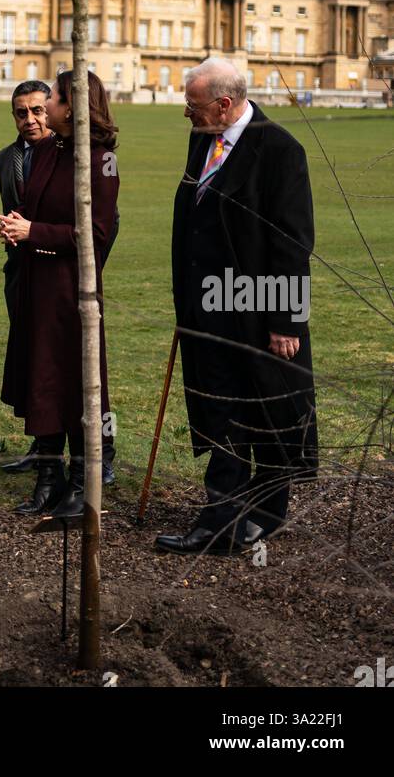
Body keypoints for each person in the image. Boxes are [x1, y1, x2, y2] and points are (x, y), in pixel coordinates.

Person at [155, 58, 317, 555]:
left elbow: (291, 241)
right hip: (207, 311)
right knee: (221, 411)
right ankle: (224, 518)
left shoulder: (280, 150)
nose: (187, 112)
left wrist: (286, 319)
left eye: (194, 105)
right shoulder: (203, 138)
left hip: (257, 310)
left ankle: (259, 516)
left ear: (224, 104)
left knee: (265, 412)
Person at [0, 70, 119, 518]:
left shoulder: (99, 158)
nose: (45, 108)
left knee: (71, 382)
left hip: (72, 291)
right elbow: (31, 207)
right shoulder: (50, 149)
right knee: (41, 378)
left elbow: (98, 233)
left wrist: (35, 232)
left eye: (56, 99)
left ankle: (80, 481)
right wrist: (16, 228)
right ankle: (47, 478)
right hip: (37, 283)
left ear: (76, 106)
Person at [0, 81, 52, 475]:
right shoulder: (6, 158)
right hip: (22, 273)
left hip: (60, 274)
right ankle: (43, 444)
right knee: (32, 362)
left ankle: (100, 453)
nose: (29, 119)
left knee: (71, 364)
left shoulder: (70, 154)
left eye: (37, 110)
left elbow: (105, 223)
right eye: (21, 112)